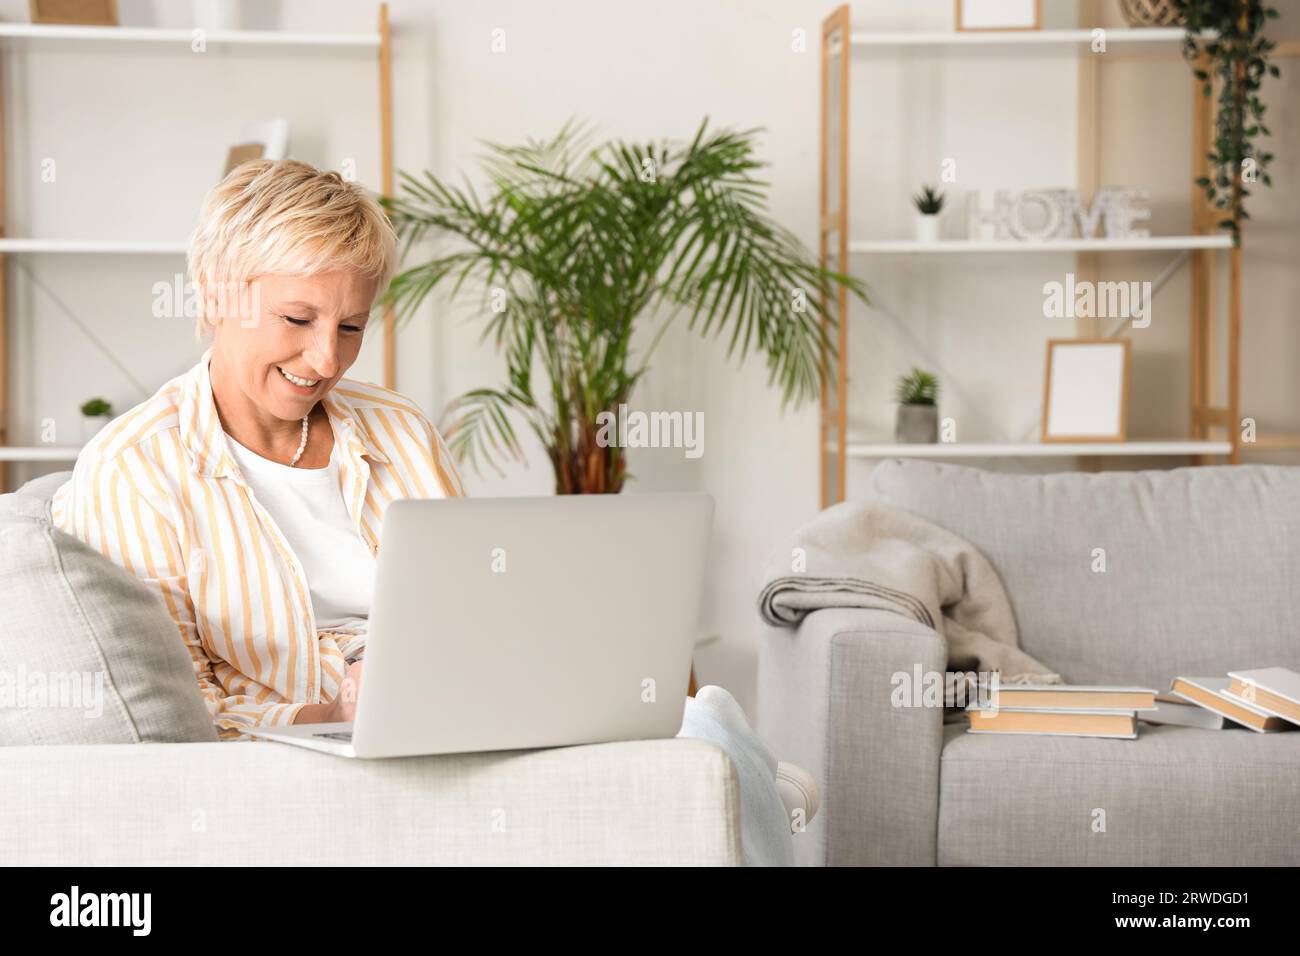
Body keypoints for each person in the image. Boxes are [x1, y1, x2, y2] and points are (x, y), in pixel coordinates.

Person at [51, 158, 798, 865]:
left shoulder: (397, 431)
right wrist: (334, 716)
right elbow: (174, 712)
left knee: (687, 711)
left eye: (350, 327)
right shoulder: (136, 471)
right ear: (216, 294)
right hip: (313, 758)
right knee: (709, 745)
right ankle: (752, 780)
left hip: (464, 716)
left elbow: (478, 597)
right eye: (296, 319)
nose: (325, 361)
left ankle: (731, 763)